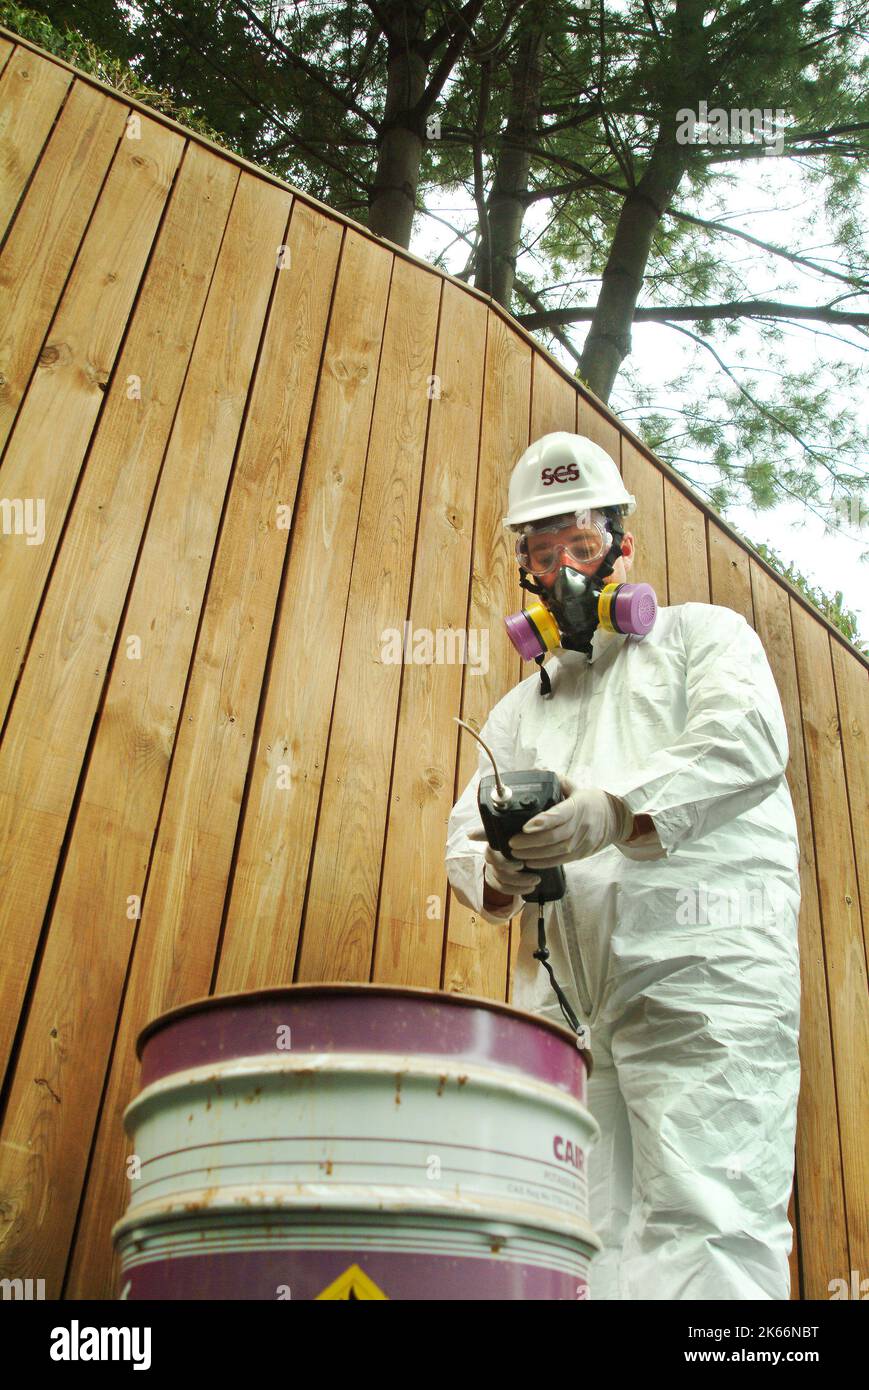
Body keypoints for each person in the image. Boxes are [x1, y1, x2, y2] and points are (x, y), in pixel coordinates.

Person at [445, 432, 802, 1301]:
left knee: (708, 1222)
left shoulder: (700, 638)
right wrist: (502, 871)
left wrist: (613, 808)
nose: (562, 568)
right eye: (541, 550)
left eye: (581, 545)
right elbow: (464, 841)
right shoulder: (522, 705)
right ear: (521, 569)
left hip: (702, 983)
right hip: (569, 1008)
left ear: (621, 548)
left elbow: (745, 744)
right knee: (574, 1240)